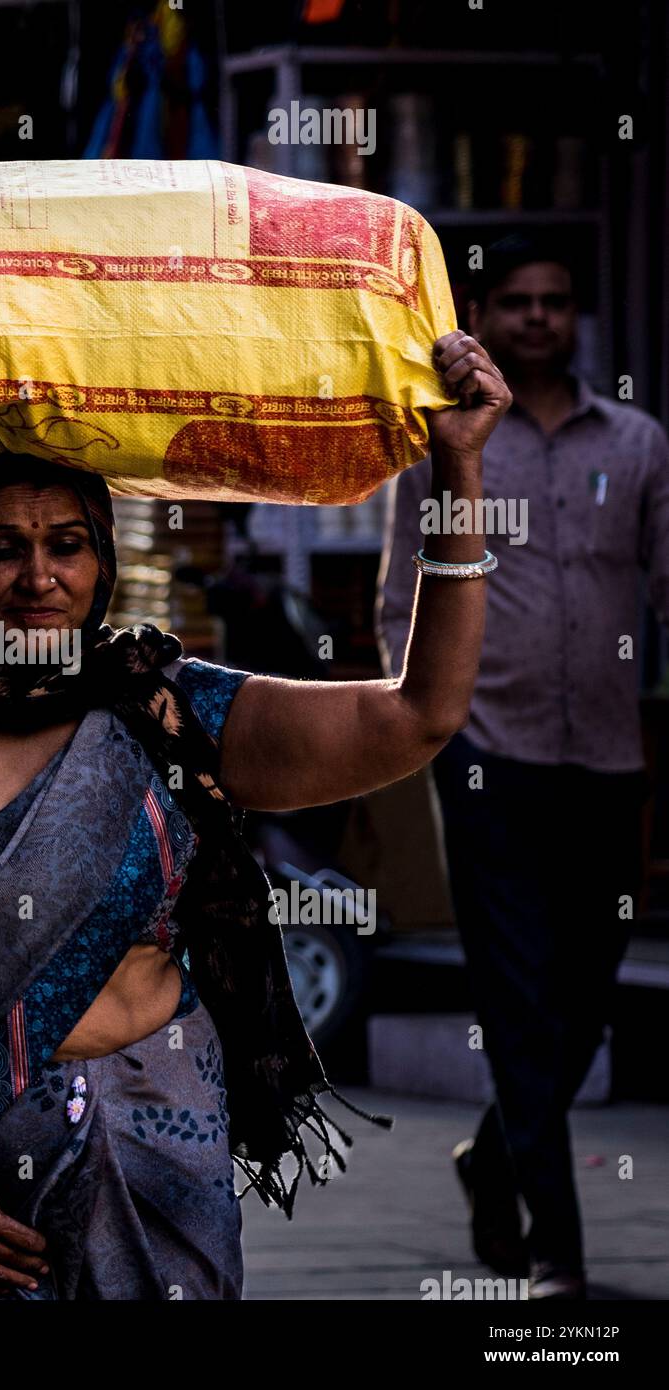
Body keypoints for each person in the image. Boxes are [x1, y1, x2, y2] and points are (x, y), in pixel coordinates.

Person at [0, 329, 509, 1300]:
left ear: (99, 566)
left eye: (67, 545)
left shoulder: (167, 711)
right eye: (2, 548)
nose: (39, 577)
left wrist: (455, 465)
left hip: (150, 1175)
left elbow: (420, 713)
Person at [376, 235, 669, 1300]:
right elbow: (399, 600)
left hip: (603, 753)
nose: (537, 318)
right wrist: (426, 731)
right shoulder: (444, 445)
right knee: (514, 999)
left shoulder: (636, 443)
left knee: (584, 1001)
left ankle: (494, 1157)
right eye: (517, 302)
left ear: (573, 318)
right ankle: (558, 1252)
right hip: (486, 754)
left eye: (554, 302)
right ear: (484, 316)